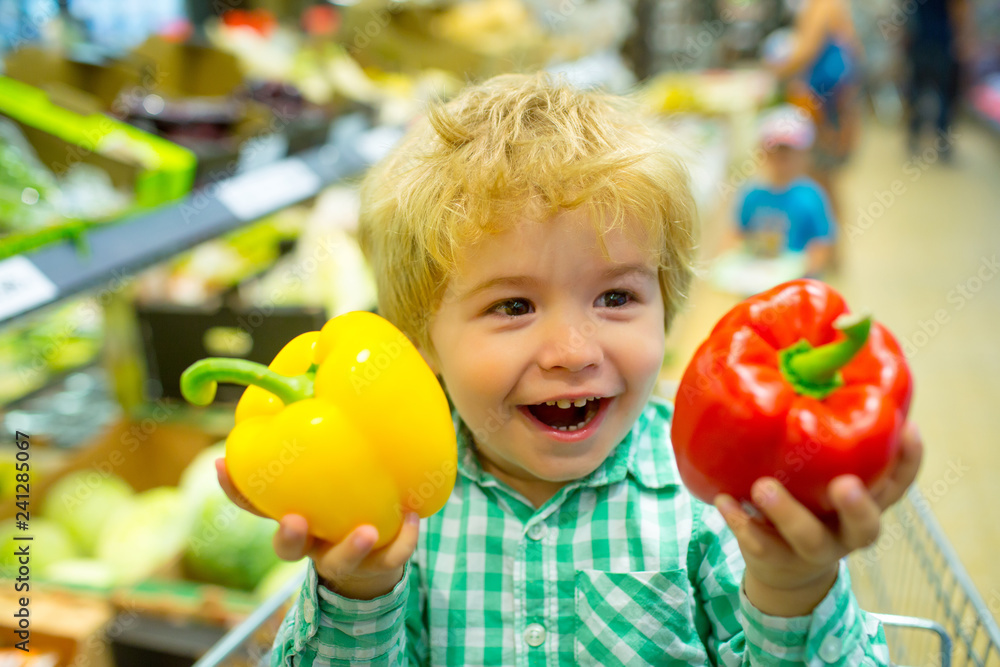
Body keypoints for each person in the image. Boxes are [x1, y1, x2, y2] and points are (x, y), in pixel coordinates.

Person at [217, 73, 922, 665]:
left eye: (616, 296)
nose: (574, 350)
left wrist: (791, 585)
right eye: (514, 305)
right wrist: (358, 592)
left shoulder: (710, 502)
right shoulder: (399, 511)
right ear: (419, 339)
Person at [713, 105, 836, 296]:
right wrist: (728, 264)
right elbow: (735, 234)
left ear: (805, 154)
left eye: (788, 151)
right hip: (756, 286)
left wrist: (805, 271)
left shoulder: (811, 197)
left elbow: (821, 244)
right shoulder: (751, 194)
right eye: (775, 150)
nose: (781, 157)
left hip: (797, 290)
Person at [768, 0, 862, 222]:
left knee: (821, 181)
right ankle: (831, 244)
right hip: (835, 105)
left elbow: (806, 51)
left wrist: (772, 71)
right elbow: (854, 53)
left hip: (824, 110)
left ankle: (827, 245)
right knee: (826, 181)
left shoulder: (821, 5)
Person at [902, 0, 973, 160]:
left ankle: (914, 136)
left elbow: (907, 16)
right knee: (944, 95)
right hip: (942, 44)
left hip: (921, 43)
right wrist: (962, 39)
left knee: (917, 92)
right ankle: (943, 142)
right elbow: (959, 13)